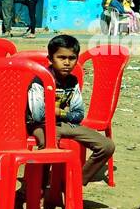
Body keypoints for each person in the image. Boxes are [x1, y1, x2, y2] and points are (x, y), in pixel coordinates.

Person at [27, 34, 115, 186]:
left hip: (64, 124)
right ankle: (39, 189)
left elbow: (79, 114)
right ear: (50, 59)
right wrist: (65, 114)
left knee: (107, 146)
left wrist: (57, 112)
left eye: (72, 58)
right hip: (39, 126)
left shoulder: (72, 81)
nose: (67, 63)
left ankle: (76, 183)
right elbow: (38, 115)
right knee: (48, 145)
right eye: (61, 58)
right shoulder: (39, 80)